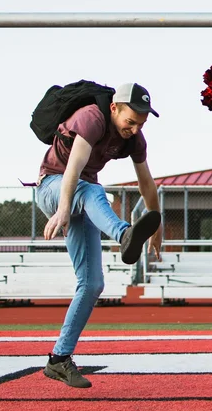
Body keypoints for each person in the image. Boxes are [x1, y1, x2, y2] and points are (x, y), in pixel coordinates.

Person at [36, 82, 163, 388]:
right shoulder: (92, 117)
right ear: (114, 108)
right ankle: (123, 234)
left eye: (140, 124)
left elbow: (147, 183)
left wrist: (157, 228)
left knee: (93, 283)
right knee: (91, 187)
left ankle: (59, 359)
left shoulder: (134, 138)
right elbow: (74, 168)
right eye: (129, 122)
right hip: (54, 188)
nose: (133, 129)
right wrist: (63, 210)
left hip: (82, 200)